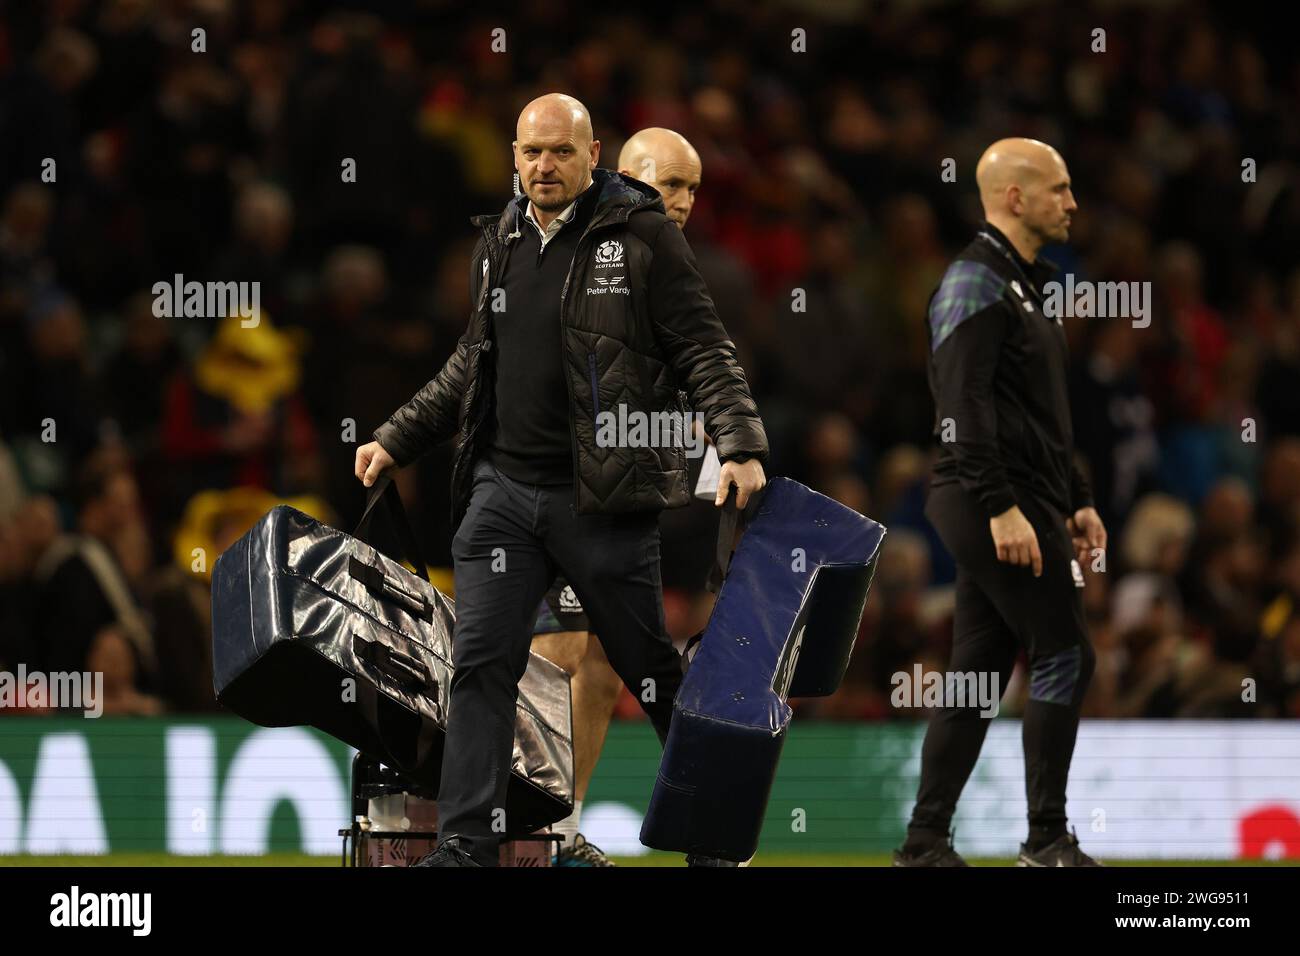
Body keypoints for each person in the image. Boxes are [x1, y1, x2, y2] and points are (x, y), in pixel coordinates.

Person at [354, 94, 768, 867]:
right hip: (502, 494)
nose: (545, 165)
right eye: (532, 151)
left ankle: (714, 833)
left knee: (649, 671)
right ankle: (466, 845)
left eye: (561, 152)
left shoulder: (643, 236)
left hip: (601, 501)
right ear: (514, 156)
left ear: (593, 156)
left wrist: (740, 442)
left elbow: (704, 346)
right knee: (481, 666)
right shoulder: (499, 240)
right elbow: (471, 364)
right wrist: (397, 437)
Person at [894, 138, 1106, 867]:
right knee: (1065, 653)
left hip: (1019, 495)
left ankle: (924, 842)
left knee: (978, 675)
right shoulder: (974, 281)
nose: (1072, 202)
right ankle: (1046, 839)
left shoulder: (1023, 285)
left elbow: (1041, 414)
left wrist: (1077, 498)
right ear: (1015, 197)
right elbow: (961, 406)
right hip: (991, 496)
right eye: (1059, 188)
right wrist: (1000, 506)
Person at [529, 125, 707, 868]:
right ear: (625, 178)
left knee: (604, 666)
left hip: (621, 500)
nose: (682, 202)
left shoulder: (670, 265)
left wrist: (708, 438)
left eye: (692, 188)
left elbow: (694, 364)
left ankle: (560, 832)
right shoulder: (581, 250)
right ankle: (527, 829)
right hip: (552, 490)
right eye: (670, 184)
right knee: (557, 653)